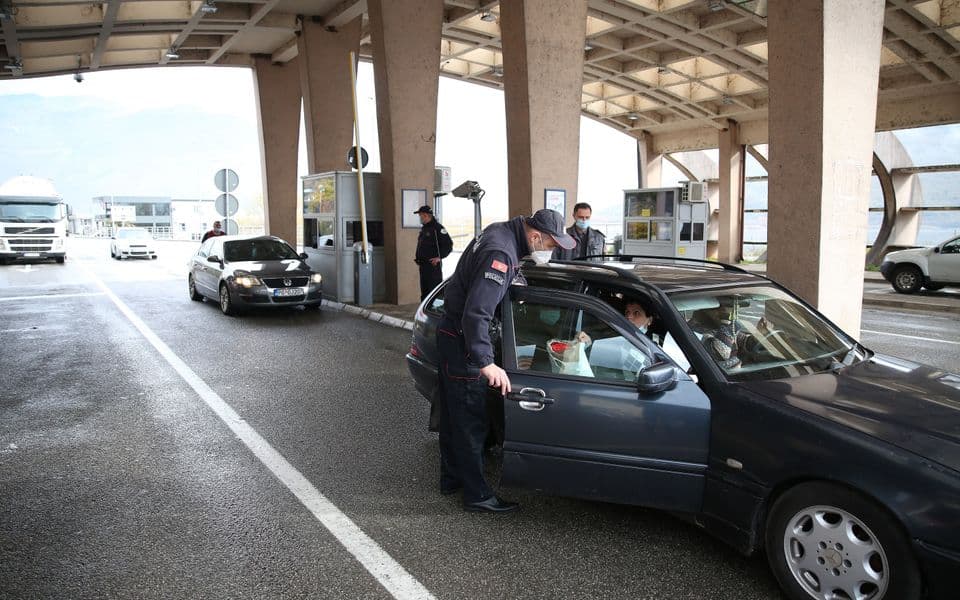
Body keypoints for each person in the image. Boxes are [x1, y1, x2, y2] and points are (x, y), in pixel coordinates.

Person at [438, 208, 575, 513]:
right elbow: (477, 313)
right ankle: (477, 496)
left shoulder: (502, 233)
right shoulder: (500, 253)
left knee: (453, 417)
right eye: (551, 246)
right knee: (470, 422)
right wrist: (486, 362)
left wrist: (516, 279)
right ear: (536, 235)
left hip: (451, 336)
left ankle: (452, 479)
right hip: (465, 344)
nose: (550, 253)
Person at [413, 205, 454, 301]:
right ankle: (423, 312)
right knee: (425, 292)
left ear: (427, 216)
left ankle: (435, 312)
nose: (420, 218)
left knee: (434, 292)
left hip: (433, 266)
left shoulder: (437, 228)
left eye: (421, 216)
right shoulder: (425, 228)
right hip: (423, 266)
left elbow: (448, 245)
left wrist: (439, 257)